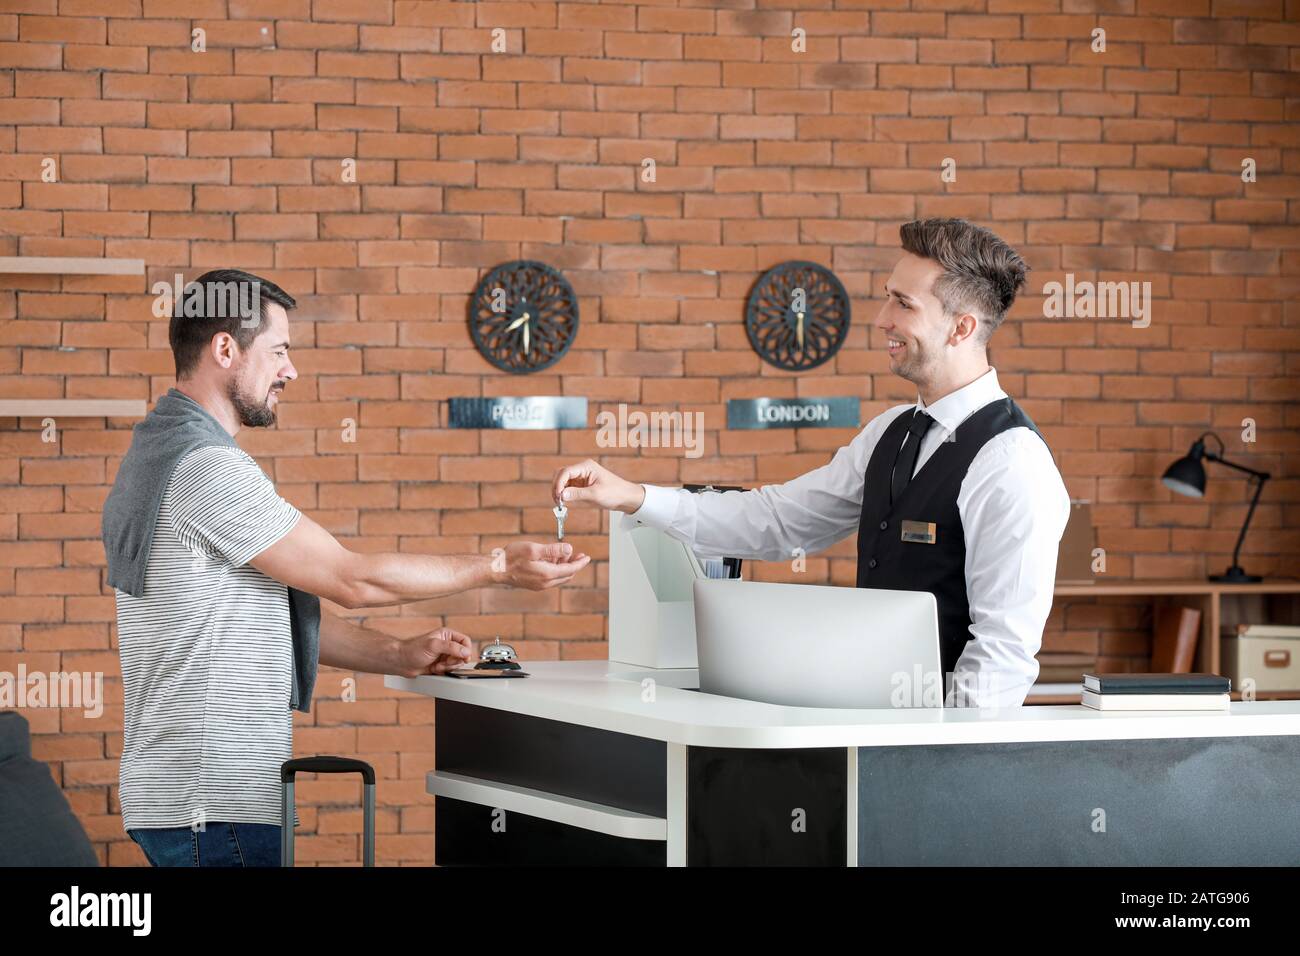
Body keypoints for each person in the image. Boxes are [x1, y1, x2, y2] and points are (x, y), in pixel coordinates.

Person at [104, 269, 589, 866]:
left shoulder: (156, 450)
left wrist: (393, 654)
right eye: (279, 350)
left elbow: (260, 613)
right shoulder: (205, 468)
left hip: (183, 797)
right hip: (214, 801)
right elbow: (352, 578)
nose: (291, 370)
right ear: (225, 349)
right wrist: (499, 566)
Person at [553, 218, 1070, 709]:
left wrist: (939, 763)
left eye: (903, 304)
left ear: (961, 328)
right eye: (888, 297)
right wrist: (634, 497)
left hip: (931, 749)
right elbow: (779, 521)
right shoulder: (891, 431)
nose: (882, 319)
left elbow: (1002, 652)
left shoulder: (1010, 461)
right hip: (873, 723)